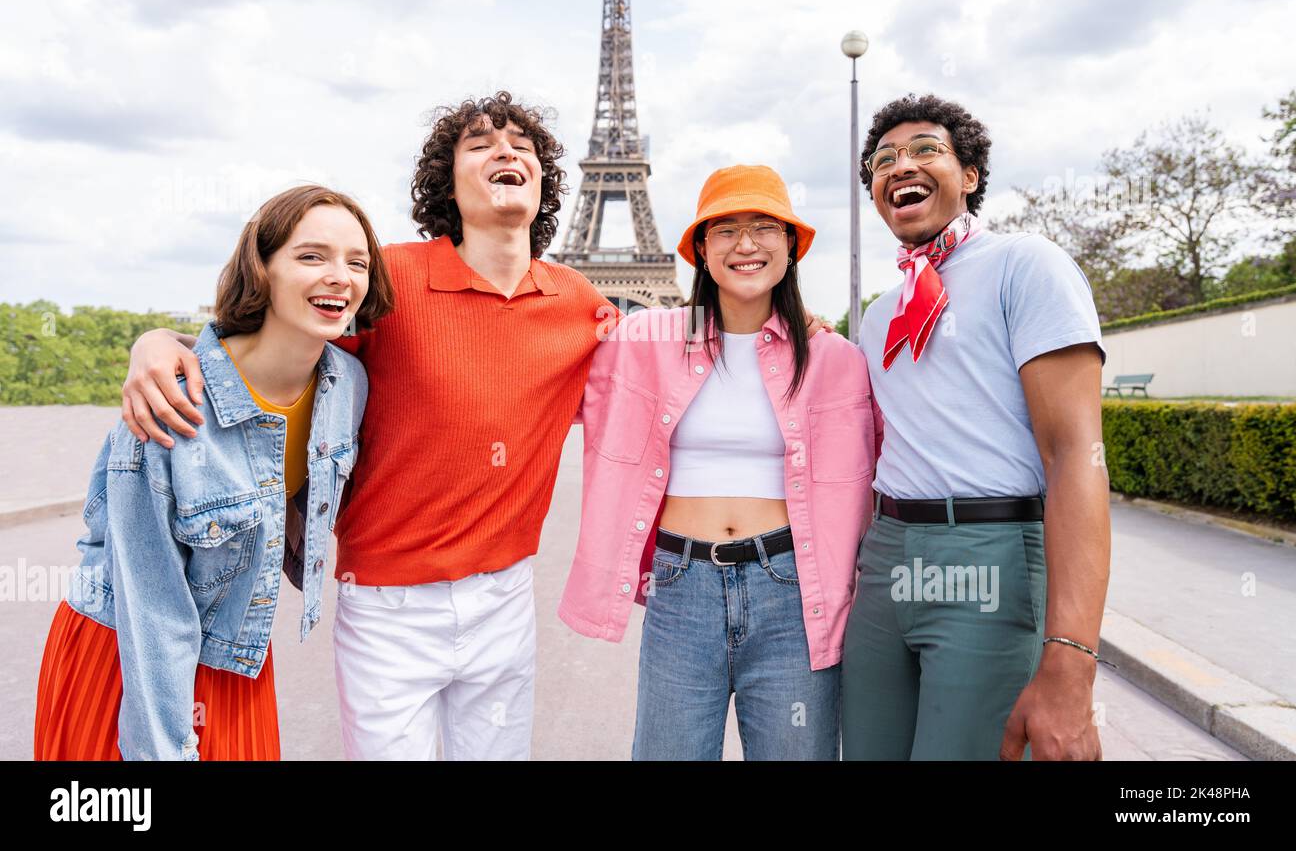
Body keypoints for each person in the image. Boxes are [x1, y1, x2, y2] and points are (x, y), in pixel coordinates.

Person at [116, 92, 613, 760]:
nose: (507, 150)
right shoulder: (388, 277)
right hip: (388, 606)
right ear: (448, 184)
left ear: (544, 178)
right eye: (481, 143)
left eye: (522, 144)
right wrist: (159, 341)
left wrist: (802, 331)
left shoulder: (579, 303)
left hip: (506, 597)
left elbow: (671, 361)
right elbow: (276, 345)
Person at [34, 185, 394, 760]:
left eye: (357, 263)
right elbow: (149, 609)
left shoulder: (346, 384)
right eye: (311, 256)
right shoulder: (169, 410)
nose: (340, 276)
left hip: (235, 649)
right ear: (263, 270)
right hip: (127, 654)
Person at [559, 165, 879, 760]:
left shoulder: (837, 360)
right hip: (682, 589)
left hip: (792, 593)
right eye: (726, 229)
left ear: (791, 245)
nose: (746, 244)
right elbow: (546, 358)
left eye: (764, 227)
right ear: (702, 250)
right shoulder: (642, 339)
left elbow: (887, 468)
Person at [839, 93, 1111, 761]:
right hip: (886, 561)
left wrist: (1072, 663)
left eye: (926, 149)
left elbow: (1077, 452)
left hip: (986, 552)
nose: (900, 165)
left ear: (970, 176)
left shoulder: (1027, 265)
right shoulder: (879, 317)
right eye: (883, 160)